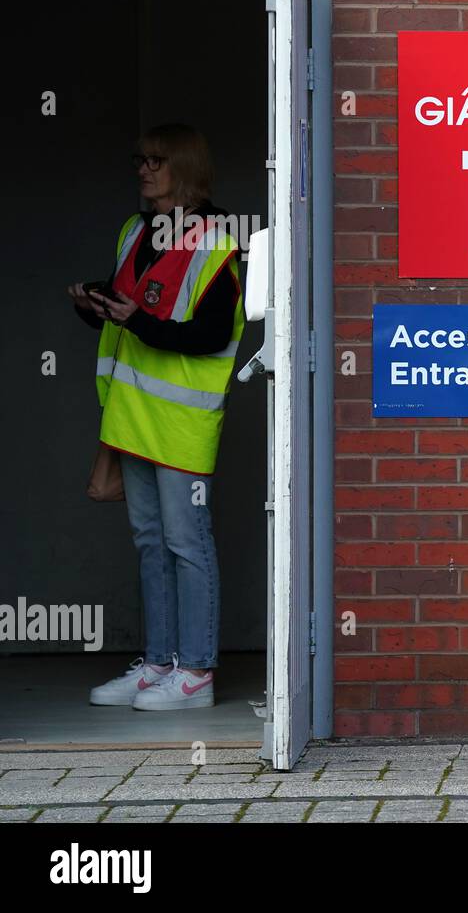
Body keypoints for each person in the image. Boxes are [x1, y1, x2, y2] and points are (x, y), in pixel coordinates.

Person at [69, 124, 245, 710]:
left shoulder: (218, 235)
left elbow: (213, 332)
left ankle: (195, 674)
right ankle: (158, 664)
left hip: (181, 422)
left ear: (185, 167)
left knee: (185, 542)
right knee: (151, 543)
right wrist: (93, 308)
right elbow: (131, 311)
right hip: (131, 415)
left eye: (156, 160)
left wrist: (133, 320)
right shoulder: (133, 230)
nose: (143, 169)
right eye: (138, 159)